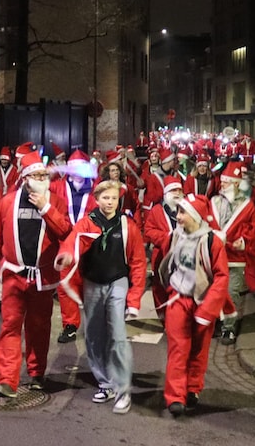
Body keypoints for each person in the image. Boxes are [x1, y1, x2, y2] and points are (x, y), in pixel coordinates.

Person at [0, 151, 72, 397]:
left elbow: (66, 232)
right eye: (37, 175)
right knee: (10, 327)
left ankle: (36, 373)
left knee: (39, 327)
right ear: (25, 178)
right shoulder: (8, 202)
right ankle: (7, 380)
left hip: (42, 278)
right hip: (14, 275)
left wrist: (46, 209)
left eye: (44, 175)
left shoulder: (56, 201)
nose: (43, 178)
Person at [55, 179, 147, 415]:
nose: (110, 202)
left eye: (114, 198)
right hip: (92, 283)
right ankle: (105, 383)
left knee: (117, 335)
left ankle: (123, 389)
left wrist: (134, 299)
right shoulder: (86, 223)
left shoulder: (127, 225)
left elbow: (138, 262)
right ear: (96, 200)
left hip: (118, 281)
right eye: (106, 198)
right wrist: (66, 255)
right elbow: (71, 243)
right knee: (94, 336)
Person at [158, 194, 229, 417]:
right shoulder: (174, 236)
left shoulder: (212, 242)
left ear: (196, 216)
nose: (178, 216)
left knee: (199, 349)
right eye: (178, 211)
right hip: (177, 299)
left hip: (202, 302)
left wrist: (208, 309)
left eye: (183, 212)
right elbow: (162, 264)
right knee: (178, 349)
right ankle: (175, 396)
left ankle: (193, 388)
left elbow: (221, 276)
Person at [209, 162, 255, 345]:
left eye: (226, 182)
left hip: (234, 258)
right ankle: (214, 323)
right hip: (214, 258)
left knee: (231, 293)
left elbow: (254, 229)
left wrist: (244, 241)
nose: (222, 184)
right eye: (222, 181)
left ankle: (228, 328)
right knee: (212, 294)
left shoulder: (247, 206)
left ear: (236, 183)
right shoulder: (214, 202)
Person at [50, 150, 97, 343]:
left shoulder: (96, 189)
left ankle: (94, 323)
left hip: (89, 243)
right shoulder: (57, 186)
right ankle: (70, 324)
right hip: (65, 242)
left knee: (91, 283)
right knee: (65, 284)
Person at [142, 177, 184, 325]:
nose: (177, 193)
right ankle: (165, 317)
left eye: (179, 190)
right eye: (173, 190)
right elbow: (149, 230)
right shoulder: (157, 210)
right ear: (166, 193)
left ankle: (178, 318)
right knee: (160, 288)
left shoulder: (187, 209)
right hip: (162, 256)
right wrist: (167, 238)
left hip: (183, 256)